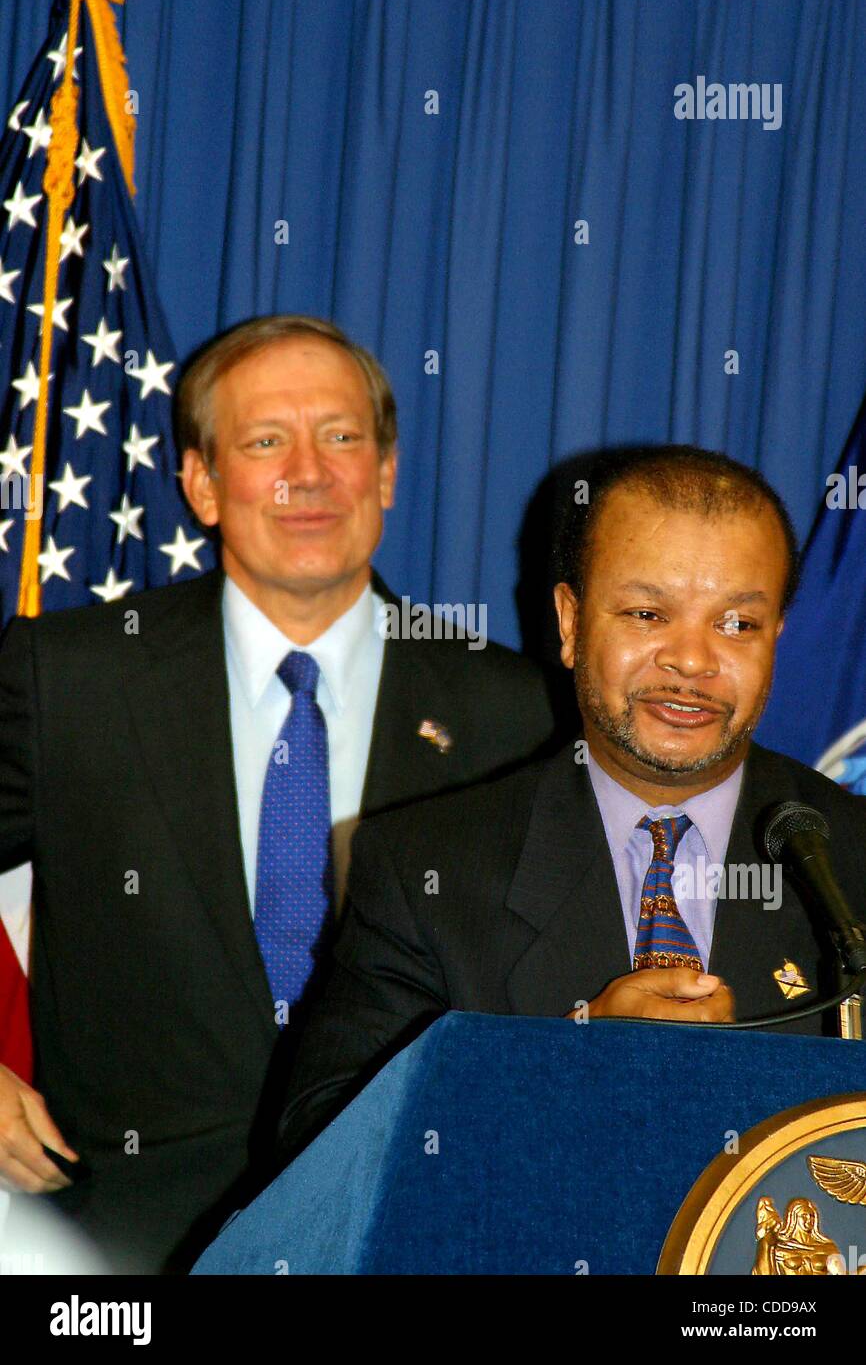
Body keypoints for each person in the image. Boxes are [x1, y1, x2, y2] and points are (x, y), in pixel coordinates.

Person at [0, 315, 558, 1271]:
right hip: (125, 1250)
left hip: (408, 1234)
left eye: (342, 437)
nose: (310, 473)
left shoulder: (512, 710)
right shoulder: (70, 679)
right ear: (202, 484)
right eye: (266, 442)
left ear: (385, 473)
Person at [276, 445, 866, 1168]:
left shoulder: (850, 858)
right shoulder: (426, 869)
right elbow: (320, 1140)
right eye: (648, 614)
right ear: (570, 621)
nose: (693, 660)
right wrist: (566, 1065)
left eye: (737, 624)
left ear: (777, 634)